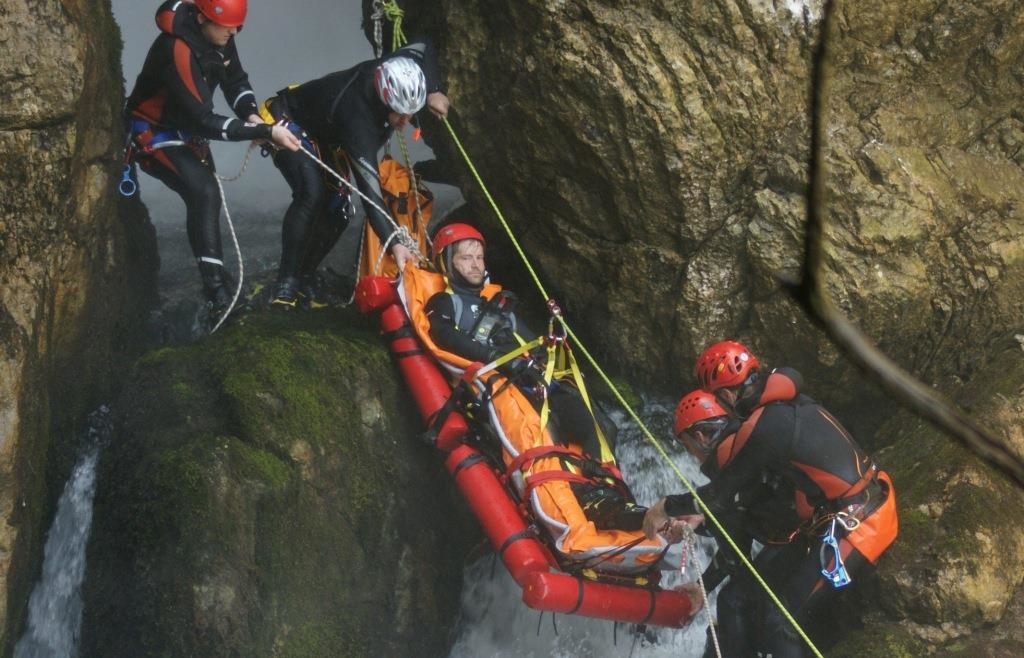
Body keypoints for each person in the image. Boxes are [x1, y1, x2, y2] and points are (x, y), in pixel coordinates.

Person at [644, 340, 899, 657]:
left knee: (782, 619)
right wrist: (704, 524)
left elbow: (723, 499)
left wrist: (664, 507)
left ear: (725, 394)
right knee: (743, 599)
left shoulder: (765, 425)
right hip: (847, 514)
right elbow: (736, 520)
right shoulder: (784, 404)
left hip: (859, 522)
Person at [424, 223, 651, 531]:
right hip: (504, 383)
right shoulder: (444, 303)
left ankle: (610, 494)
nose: (476, 265)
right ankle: (579, 499)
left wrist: (554, 365)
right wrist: (497, 360)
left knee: (598, 423)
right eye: (466, 258)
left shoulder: (502, 308)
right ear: (448, 262)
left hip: (534, 381)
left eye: (479, 257)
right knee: (548, 434)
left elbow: (534, 344)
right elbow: (445, 337)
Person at [125, 0, 300, 321]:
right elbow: (205, 120)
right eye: (229, 26)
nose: (234, 32)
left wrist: (249, 114)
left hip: (187, 128)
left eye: (239, 27)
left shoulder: (220, 36)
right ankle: (216, 292)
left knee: (207, 196)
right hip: (153, 131)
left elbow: (235, 81)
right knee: (204, 192)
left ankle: (215, 281)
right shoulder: (177, 49)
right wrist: (262, 131)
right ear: (203, 18)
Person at [260, 39, 450, 310]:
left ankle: (304, 275)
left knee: (338, 209)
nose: (405, 123)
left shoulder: (397, 67)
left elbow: (423, 47)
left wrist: (434, 91)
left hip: (326, 131)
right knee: (311, 193)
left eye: (411, 114)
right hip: (287, 117)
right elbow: (370, 195)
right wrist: (395, 244)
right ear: (385, 100)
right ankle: (286, 283)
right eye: (401, 115)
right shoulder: (358, 122)